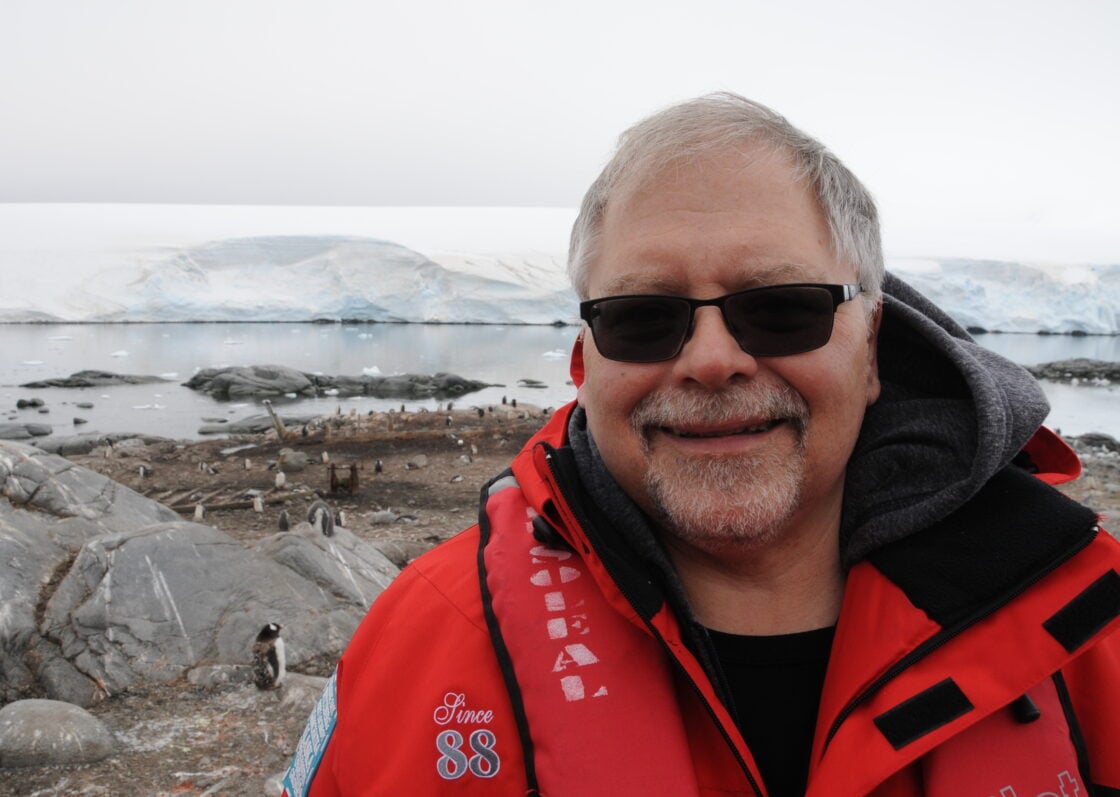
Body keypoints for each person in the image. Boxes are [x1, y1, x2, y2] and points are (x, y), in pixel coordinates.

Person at [282, 93, 1120, 796]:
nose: (713, 360)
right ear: (585, 363)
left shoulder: (1093, 639)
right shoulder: (422, 645)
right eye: (644, 317)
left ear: (870, 348)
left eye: (780, 307)